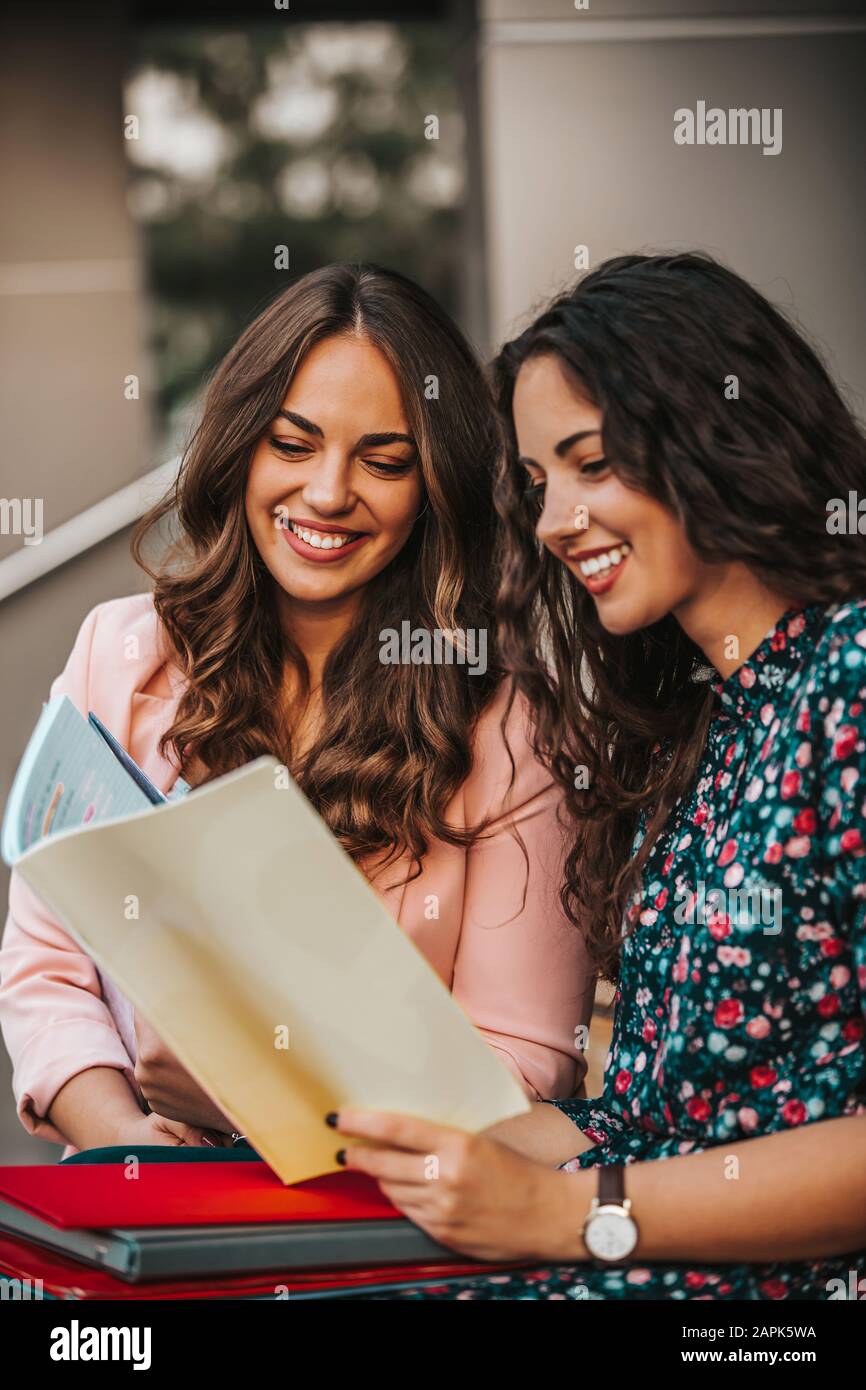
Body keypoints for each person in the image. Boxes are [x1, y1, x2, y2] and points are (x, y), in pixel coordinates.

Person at [330, 253, 866, 1300]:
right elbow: (658, 1123)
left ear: (716, 433)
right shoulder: (706, 734)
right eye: (535, 484)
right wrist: (392, 1127)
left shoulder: (847, 680)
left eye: (589, 463)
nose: (551, 520)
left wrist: (567, 1212)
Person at [0, 264, 593, 1157]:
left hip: (381, 1220)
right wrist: (128, 1144)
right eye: (293, 444)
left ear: (434, 487)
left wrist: (277, 1134)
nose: (326, 494)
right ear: (240, 447)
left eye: (384, 462)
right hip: (147, 1178)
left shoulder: (512, 727)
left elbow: (518, 1063)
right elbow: (47, 971)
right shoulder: (121, 654)